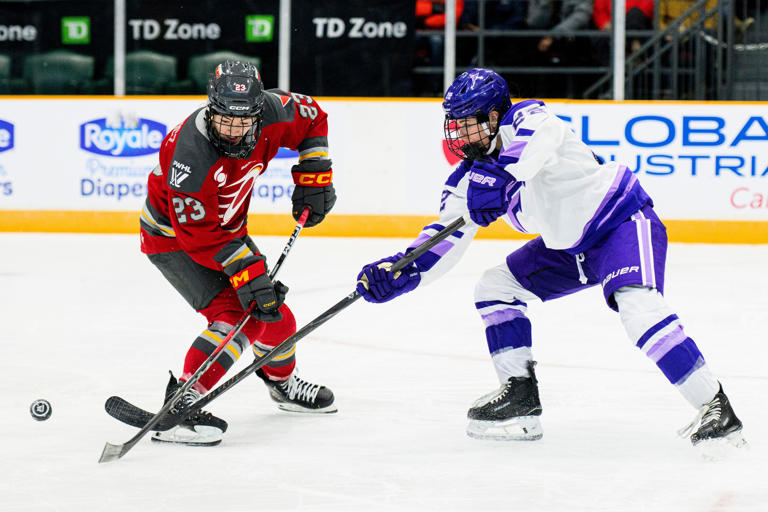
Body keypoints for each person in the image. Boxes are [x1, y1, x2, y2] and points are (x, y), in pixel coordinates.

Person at [356, 68, 746, 448]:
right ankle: (520, 396)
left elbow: (532, 148)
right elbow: (445, 238)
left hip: (621, 223)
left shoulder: (529, 119)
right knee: (494, 288)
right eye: (453, 124)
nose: (459, 133)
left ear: (494, 116)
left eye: (467, 122)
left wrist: (499, 177)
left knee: (638, 308)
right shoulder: (466, 181)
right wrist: (401, 271)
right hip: (570, 249)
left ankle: (715, 408)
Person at [138, 60, 338, 445]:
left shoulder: (273, 111)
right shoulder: (187, 155)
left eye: (244, 122)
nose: (234, 132)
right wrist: (248, 271)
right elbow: (197, 234)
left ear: (258, 109)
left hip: (226, 232)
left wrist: (315, 176)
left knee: (271, 312)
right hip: (174, 240)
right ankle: (183, 402)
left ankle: (282, 385)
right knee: (238, 315)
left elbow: (313, 117)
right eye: (225, 121)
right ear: (211, 108)